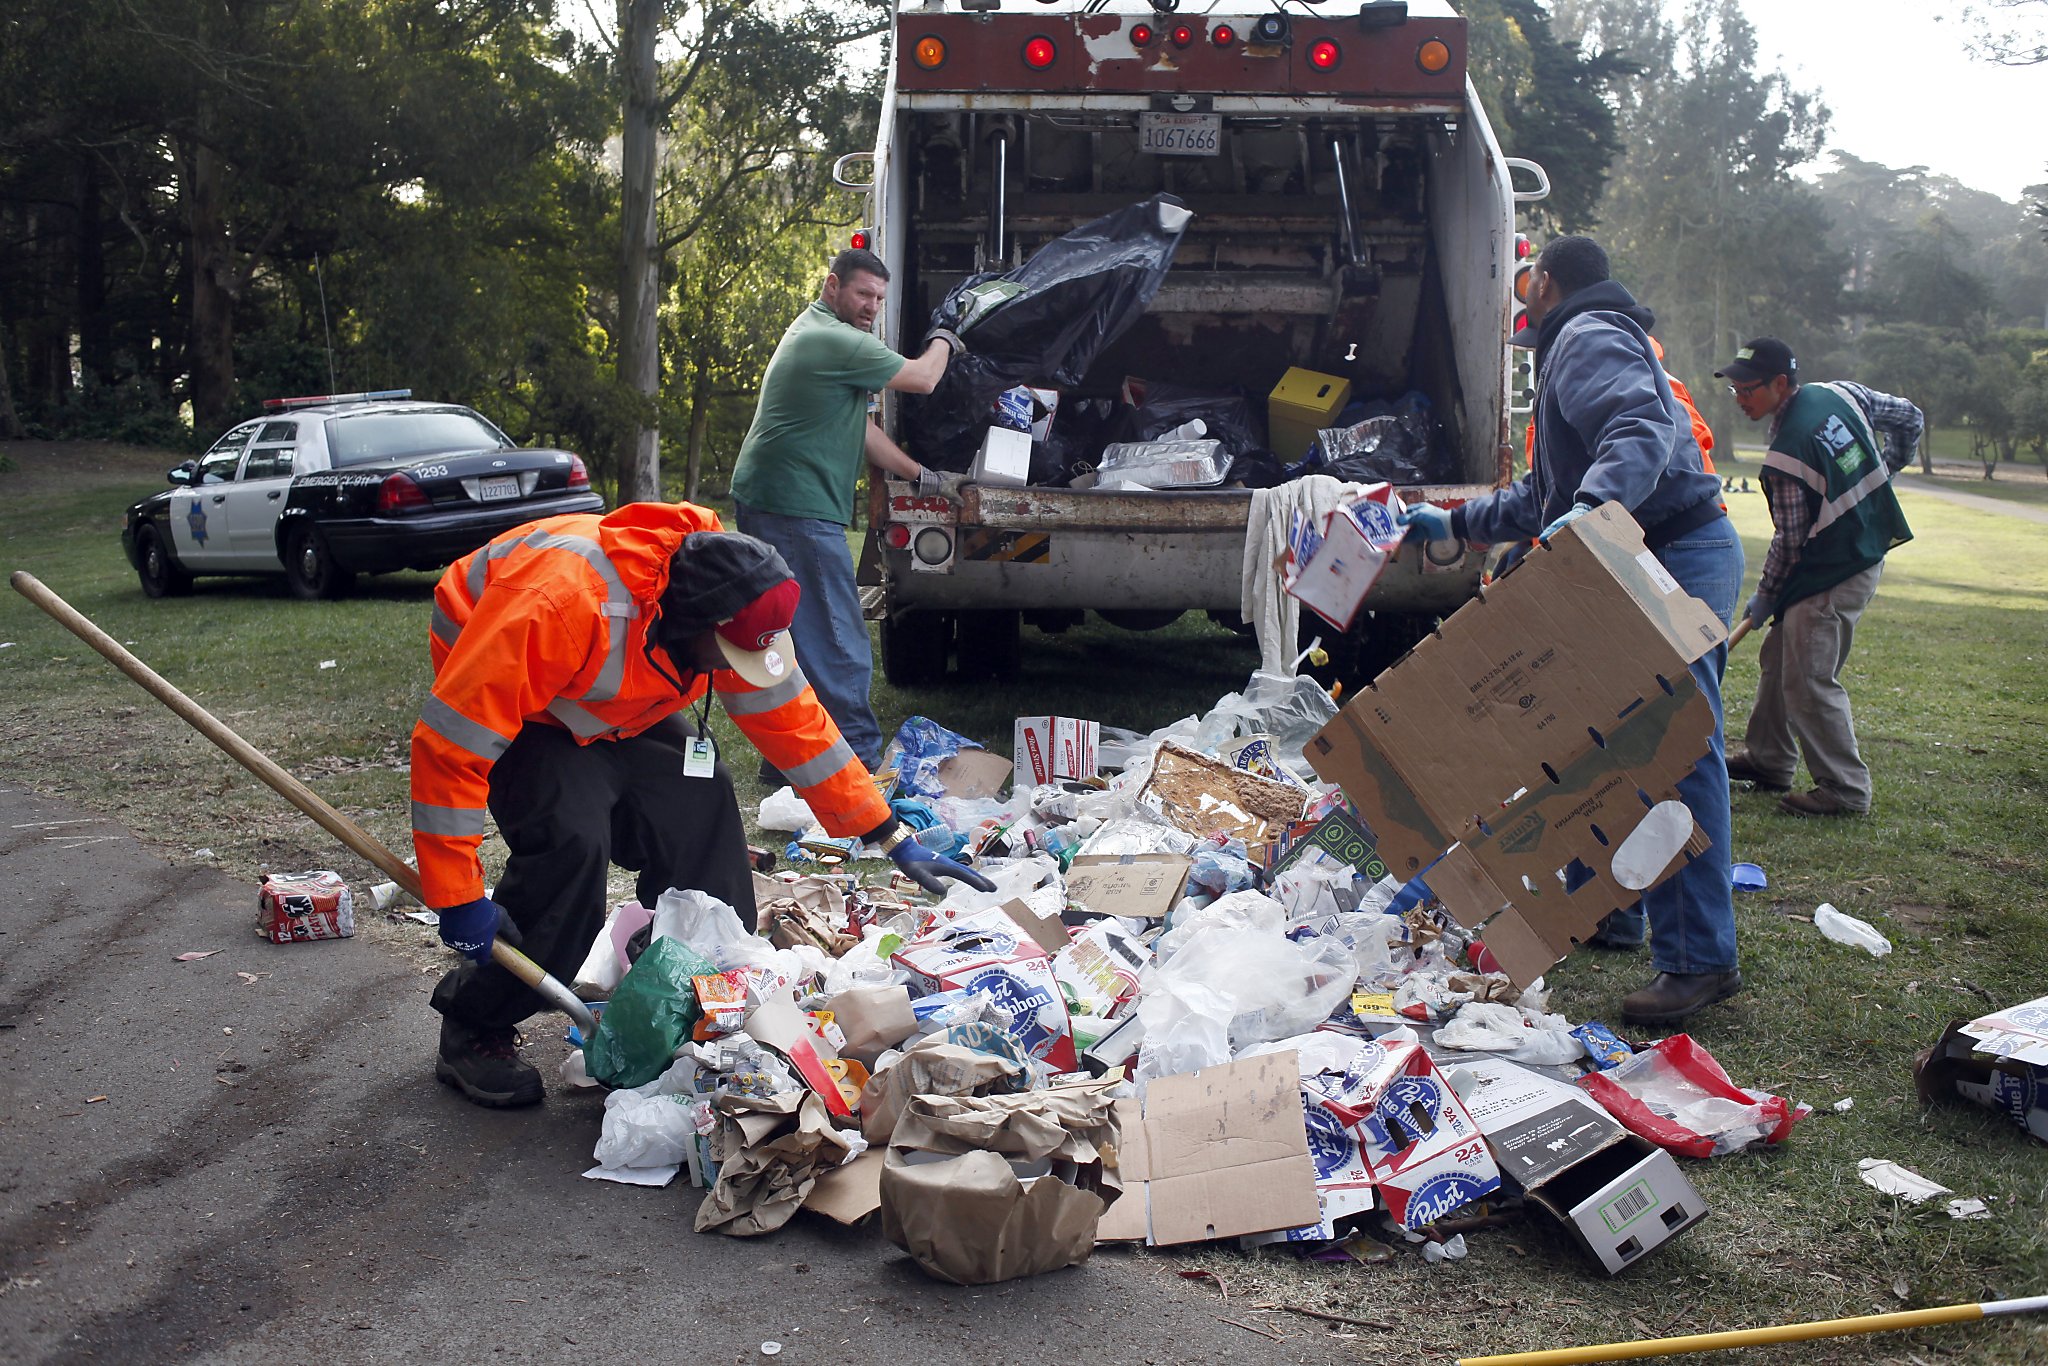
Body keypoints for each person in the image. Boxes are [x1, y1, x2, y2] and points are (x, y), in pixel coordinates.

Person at [410, 502, 990, 1108]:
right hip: (525, 698)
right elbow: (451, 745)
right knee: (571, 839)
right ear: (690, 623)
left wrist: (888, 833)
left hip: (621, 693)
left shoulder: (736, 601)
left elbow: (796, 724)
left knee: (702, 808)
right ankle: (478, 1023)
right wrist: (457, 895)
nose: (736, 669)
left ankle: (700, 1004)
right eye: (727, 656)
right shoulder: (560, 604)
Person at [1400, 235, 1744, 1028]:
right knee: (1594, 736)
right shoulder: (1582, 343)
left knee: (1675, 744)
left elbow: (1638, 433)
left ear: (1544, 283)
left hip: (1670, 550)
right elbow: (1540, 495)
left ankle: (1698, 961)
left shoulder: (1586, 336)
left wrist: (1592, 511)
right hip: (1627, 548)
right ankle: (1610, 910)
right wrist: (1453, 522)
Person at [729, 247, 960, 780]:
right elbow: (926, 377)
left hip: (774, 497)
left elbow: (861, 429)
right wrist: (946, 336)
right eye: (862, 293)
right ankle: (856, 759)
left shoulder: (819, 335)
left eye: (879, 298)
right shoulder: (834, 339)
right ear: (832, 286)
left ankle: (787, 758)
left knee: (793, 634)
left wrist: (919, 473)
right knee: (835, 633)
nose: (871, 306)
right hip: (794, 505)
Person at [1716, 337, 1917, 817]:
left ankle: (1845, 790)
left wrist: (1765, 598)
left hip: (1837, 570)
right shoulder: (1843, 393)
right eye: (1735, 390)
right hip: (1853, 548)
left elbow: (1788, 543)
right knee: (1779, 656)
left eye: (1748, 390)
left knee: (1809, 677)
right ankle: (1768, 760)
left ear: (1780, 384)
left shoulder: (1786, 456)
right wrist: (1887, 469)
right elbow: (1908, 417)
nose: (1741, 399)